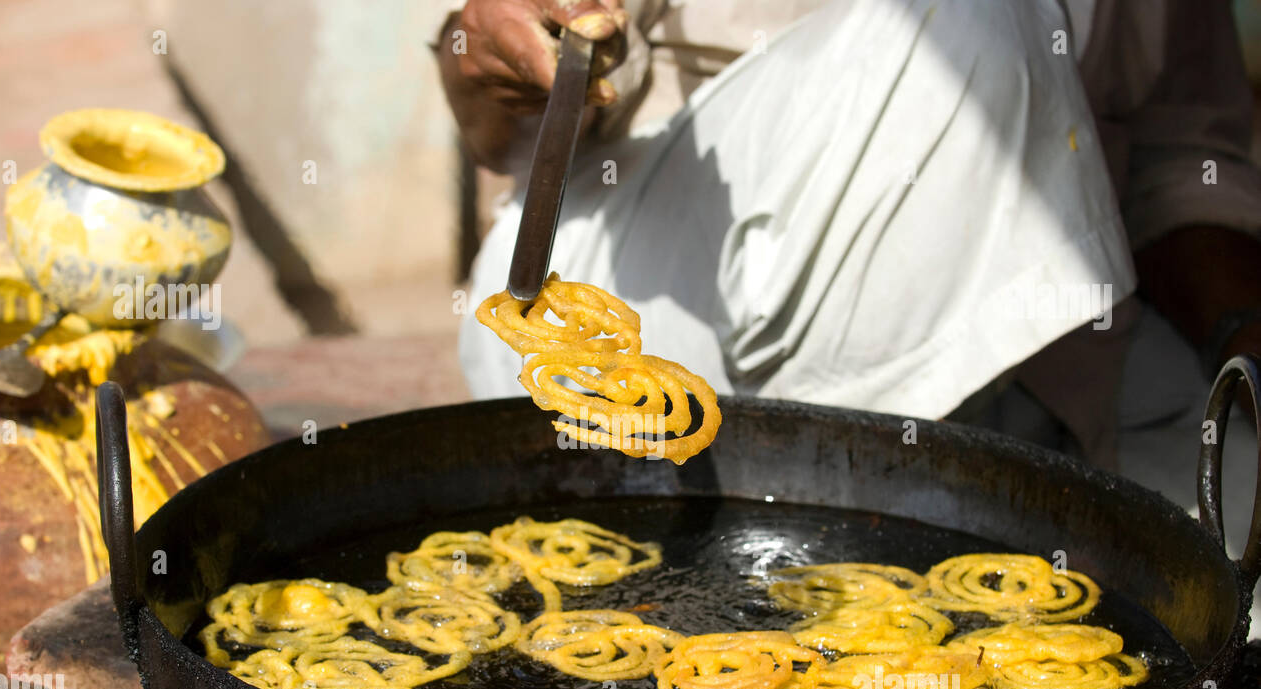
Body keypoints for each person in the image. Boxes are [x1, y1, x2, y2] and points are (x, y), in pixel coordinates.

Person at [433, 1, 1261, 479]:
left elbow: (1183, 163)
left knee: (1224, 554)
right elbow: (498, 113)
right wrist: (489, 60)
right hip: (672, 288)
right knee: (966, 19)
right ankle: (816, 525)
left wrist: (1237, 336)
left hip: (1032, 318)